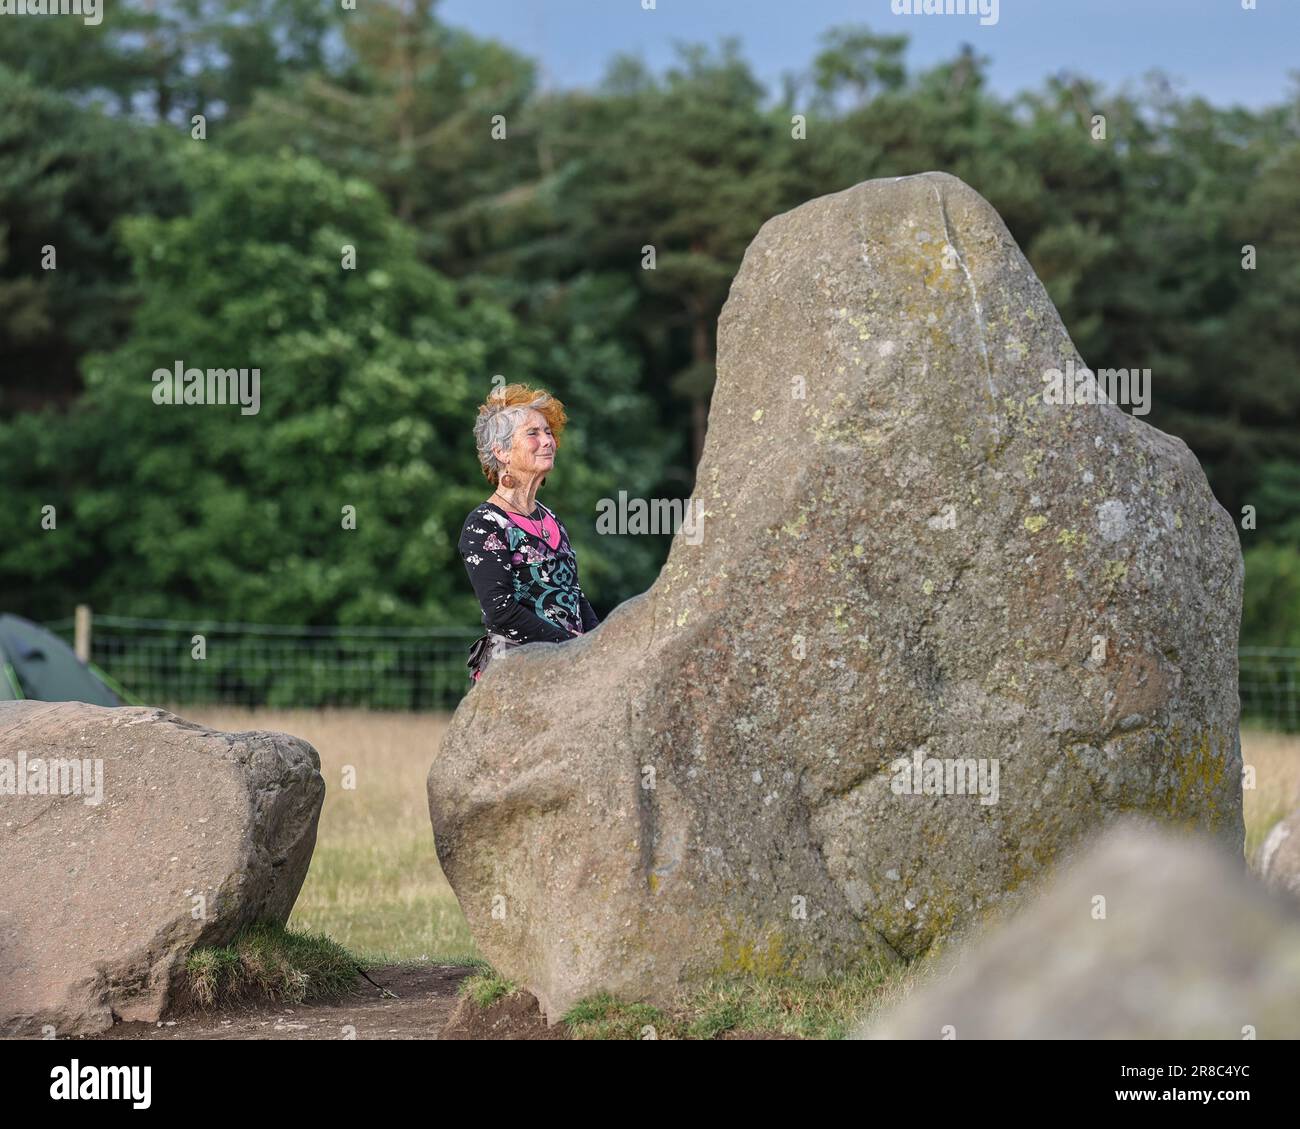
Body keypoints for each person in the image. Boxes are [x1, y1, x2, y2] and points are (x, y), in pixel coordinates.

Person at [458, 383, 599, 683]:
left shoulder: (551, 519)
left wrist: (598, 645)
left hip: (567, 666)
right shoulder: (484, 523)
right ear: (502, 451)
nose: (547, 441)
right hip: (516, 676)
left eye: (548, 432)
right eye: (533, 434)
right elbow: (501, 611)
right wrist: (570, 647)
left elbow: (575, 596)